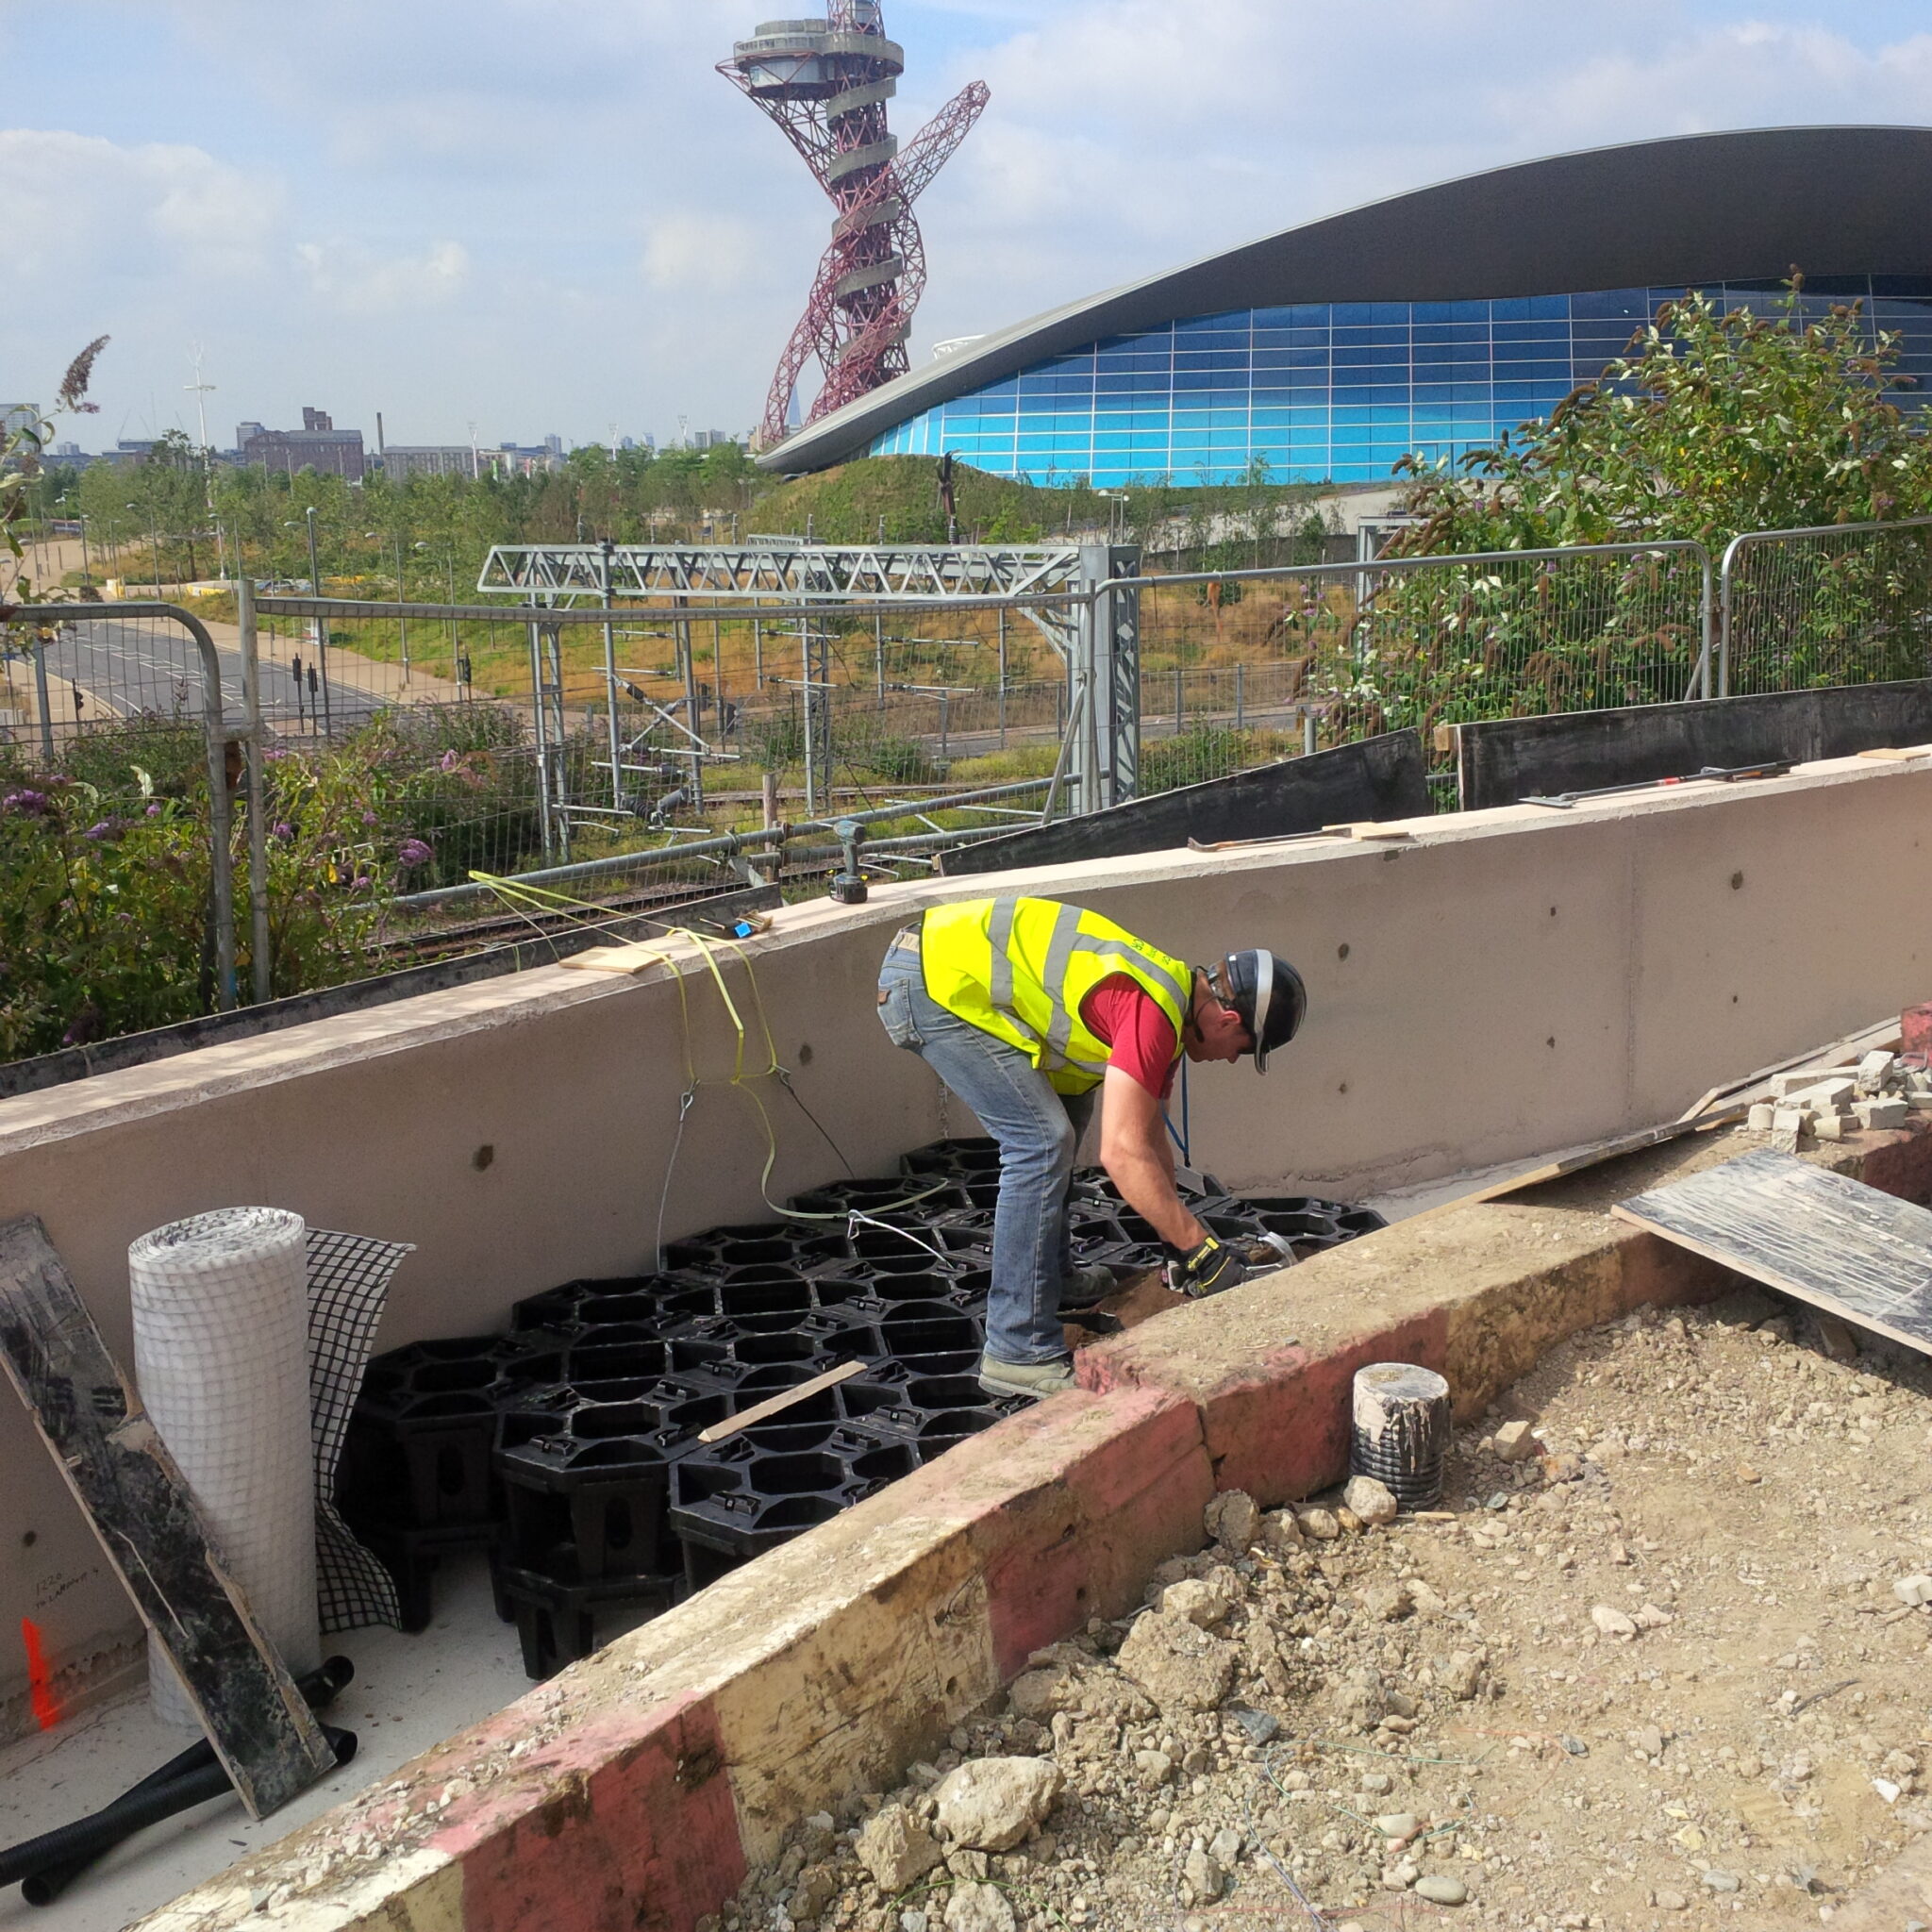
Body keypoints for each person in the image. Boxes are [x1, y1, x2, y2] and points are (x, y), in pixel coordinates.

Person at [876, 893, 1307, 1401]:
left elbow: (1148, 1141)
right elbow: (1121, 1155)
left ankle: (1049, 1279)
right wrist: (1202, 1250)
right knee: (1040, 1143)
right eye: (1242, 1051)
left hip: (941, 967)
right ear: (1229, 1022)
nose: (1232, 1061)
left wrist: (1183, 1243)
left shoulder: (1170, 1003)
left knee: (1071, 1113)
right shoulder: (1153, 1013)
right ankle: (1014, 1349)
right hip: (930, 985)